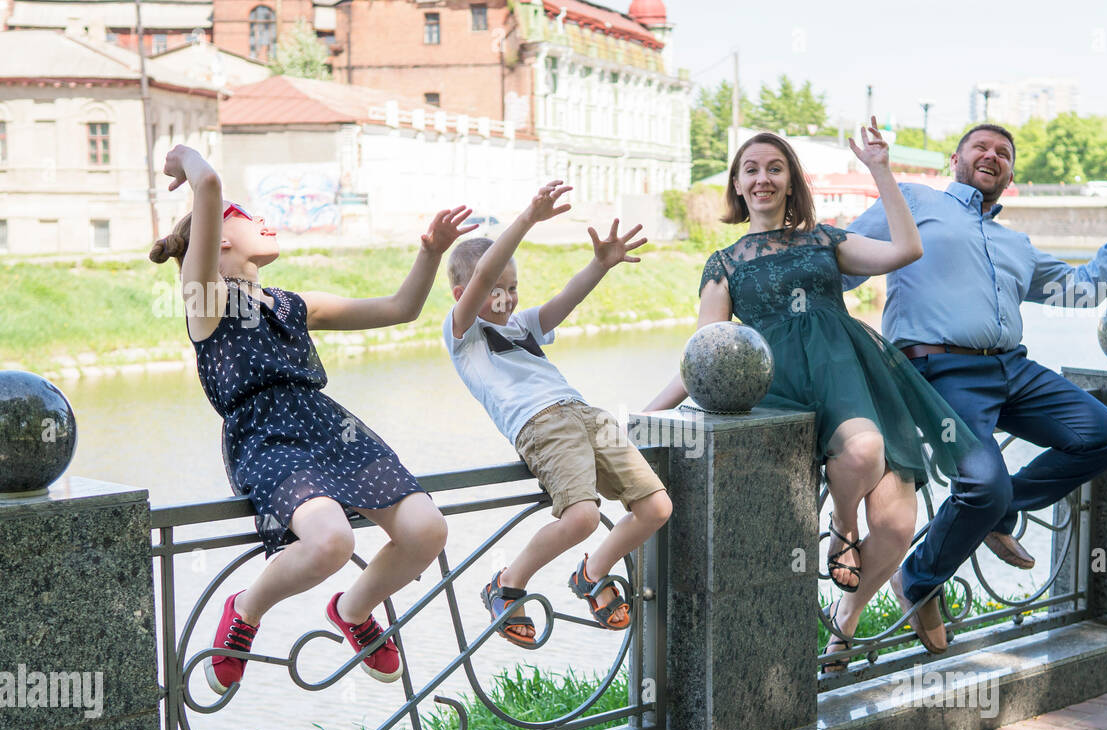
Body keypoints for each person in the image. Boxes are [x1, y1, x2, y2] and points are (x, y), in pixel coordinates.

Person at [646, 123, 979, 663]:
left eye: (774, 168)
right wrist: (646, 414)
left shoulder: (826, 239)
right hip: (782, 393)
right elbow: (704, 355)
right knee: (864, 450)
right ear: (735, 184)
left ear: (791, 181)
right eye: (750, 169)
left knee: (897, 527)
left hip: (854, 380)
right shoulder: (724, 265)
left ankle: (843, 626)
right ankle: (843, 524)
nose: (762, 178)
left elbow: (906, 248)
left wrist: (879, 168)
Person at [150, 144, 474, 695]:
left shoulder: (292, 305)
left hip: (329, 428)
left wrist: (432, 252)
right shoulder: (205, 300)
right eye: (250, 216)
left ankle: (353, 609)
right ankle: (244, 611)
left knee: (428, 531)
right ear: (221, 235)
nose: (266, 222)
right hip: (269, 438)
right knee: (331, 543)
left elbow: (401, 309)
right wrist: (184, 158)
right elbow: (207, 188)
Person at [842, 123, 1107, 651]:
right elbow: (842, 263)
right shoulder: (914, 203)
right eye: (981, 147)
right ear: (956, 159)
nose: (992, 155)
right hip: (940, 370)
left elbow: (1084, 290)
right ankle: (921, 577)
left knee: (1104, 436)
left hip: (1012, 369)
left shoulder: (1016, 243)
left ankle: (989, 518)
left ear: (1011, 173)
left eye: (1004, 152)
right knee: (982, 484)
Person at [443, 181, 673, 646]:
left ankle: (592, 573)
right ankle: (506, 584)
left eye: (513, 288)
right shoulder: (462, 334)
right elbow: (484, 271)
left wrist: (600, 265)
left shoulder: (522, 323)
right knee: (582, 516)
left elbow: (565, 300)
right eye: (495, 290)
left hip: (587, 413)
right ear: (462, 293)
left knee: (656, 507)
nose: (506, 298)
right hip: (540, 423)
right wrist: (527, 218)